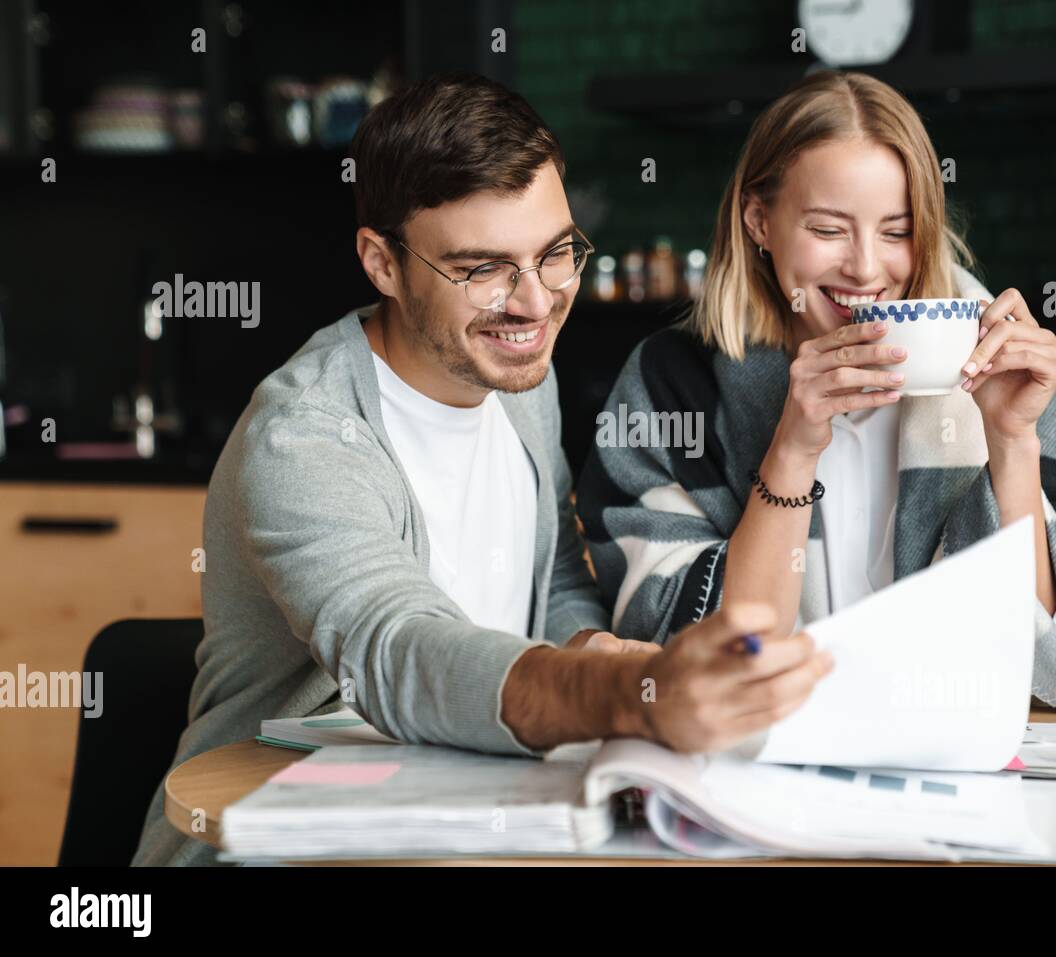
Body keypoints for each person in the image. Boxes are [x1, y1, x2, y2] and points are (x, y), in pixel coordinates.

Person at [132, 73, 831, 866]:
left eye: (556, 254)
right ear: (383, 263)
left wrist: (599, 648)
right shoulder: (304, 438)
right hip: (273, 847)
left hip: (458, 824)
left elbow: (553, 579)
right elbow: (402, 652)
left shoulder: (512, 371)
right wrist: (623, 697)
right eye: (482, 268)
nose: (534, 305)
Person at [577, 71, 1056, 719]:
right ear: (759, 220)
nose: (866, 268)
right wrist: (792, 448)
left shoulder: (991, 351)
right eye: (828, 230)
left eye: (896, 230)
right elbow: (691, 662)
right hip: (769, 762)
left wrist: (1012, 442)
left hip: (966, 753)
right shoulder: (672, 380)